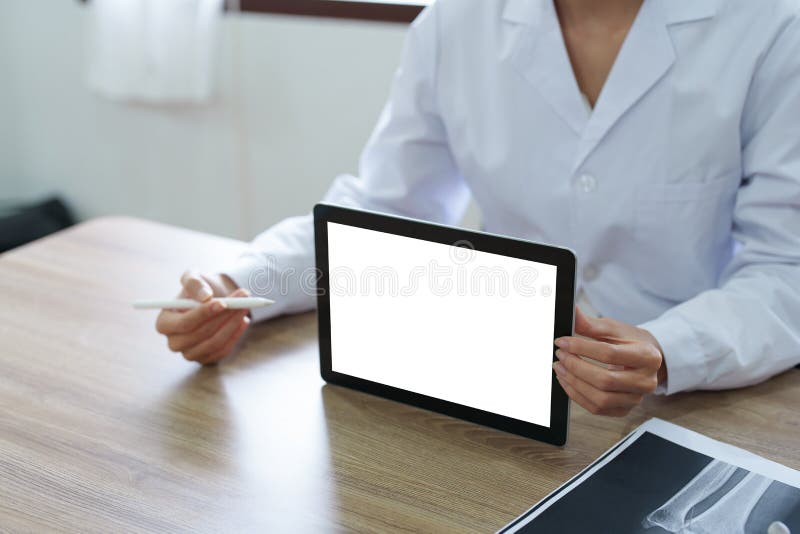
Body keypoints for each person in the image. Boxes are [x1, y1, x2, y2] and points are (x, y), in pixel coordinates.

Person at [156, 0, 800, 416]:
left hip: (705, 399)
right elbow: (380, 211)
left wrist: (670, 349)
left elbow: (786, 270)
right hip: (503, 387)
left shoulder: (772, 26)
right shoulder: (457, 22)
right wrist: (242, 284)